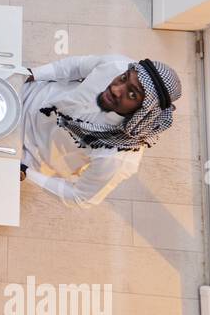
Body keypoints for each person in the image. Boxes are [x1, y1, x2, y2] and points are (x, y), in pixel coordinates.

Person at [20, 55, 182, 208]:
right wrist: (33, 74)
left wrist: (27, 172)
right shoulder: (116, 64)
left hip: (28, 155)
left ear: (145, 111)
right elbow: (76, 66)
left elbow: (80, 196)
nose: (116, 89)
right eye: (124, 78)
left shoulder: (119, 156)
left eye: (132, 94)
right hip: (28, 94)